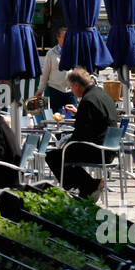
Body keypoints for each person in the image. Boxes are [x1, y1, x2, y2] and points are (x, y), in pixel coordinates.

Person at [43, 68, 119, 197]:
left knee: (54, 156)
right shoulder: (102, 95)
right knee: (63, 154)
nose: (71, 90)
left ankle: (87, 186)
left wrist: (67, 143)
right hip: (109, 148)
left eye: (71, 87)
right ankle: (88, 185)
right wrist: (78, 113)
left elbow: (81, 132)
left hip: (97, 150)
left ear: (77, 85)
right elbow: (98, 119)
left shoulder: (87, 100)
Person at [36, 28, 77, 113]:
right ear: (58, 38)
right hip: (55, 90)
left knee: (72, 118)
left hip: (71, 90)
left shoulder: (74, 52)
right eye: (64, 37)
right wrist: (40, 90)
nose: (67, 40)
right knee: (57, 117)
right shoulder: (51, 53)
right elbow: (45, 74)